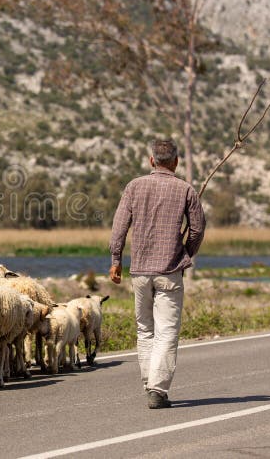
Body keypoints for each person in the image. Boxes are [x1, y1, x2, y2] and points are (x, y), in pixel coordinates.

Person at [108, 139, 205, 409]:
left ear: (152, 160)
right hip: (170, 270)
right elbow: (197, 229)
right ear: (176, 162)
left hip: (140, 271)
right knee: (167, 331)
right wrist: (185, 253)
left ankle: (149, 383)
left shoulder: (134, 186)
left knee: (145, 330)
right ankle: (157, 390)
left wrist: (116, 260)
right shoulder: (186, 189)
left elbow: (119, 226)